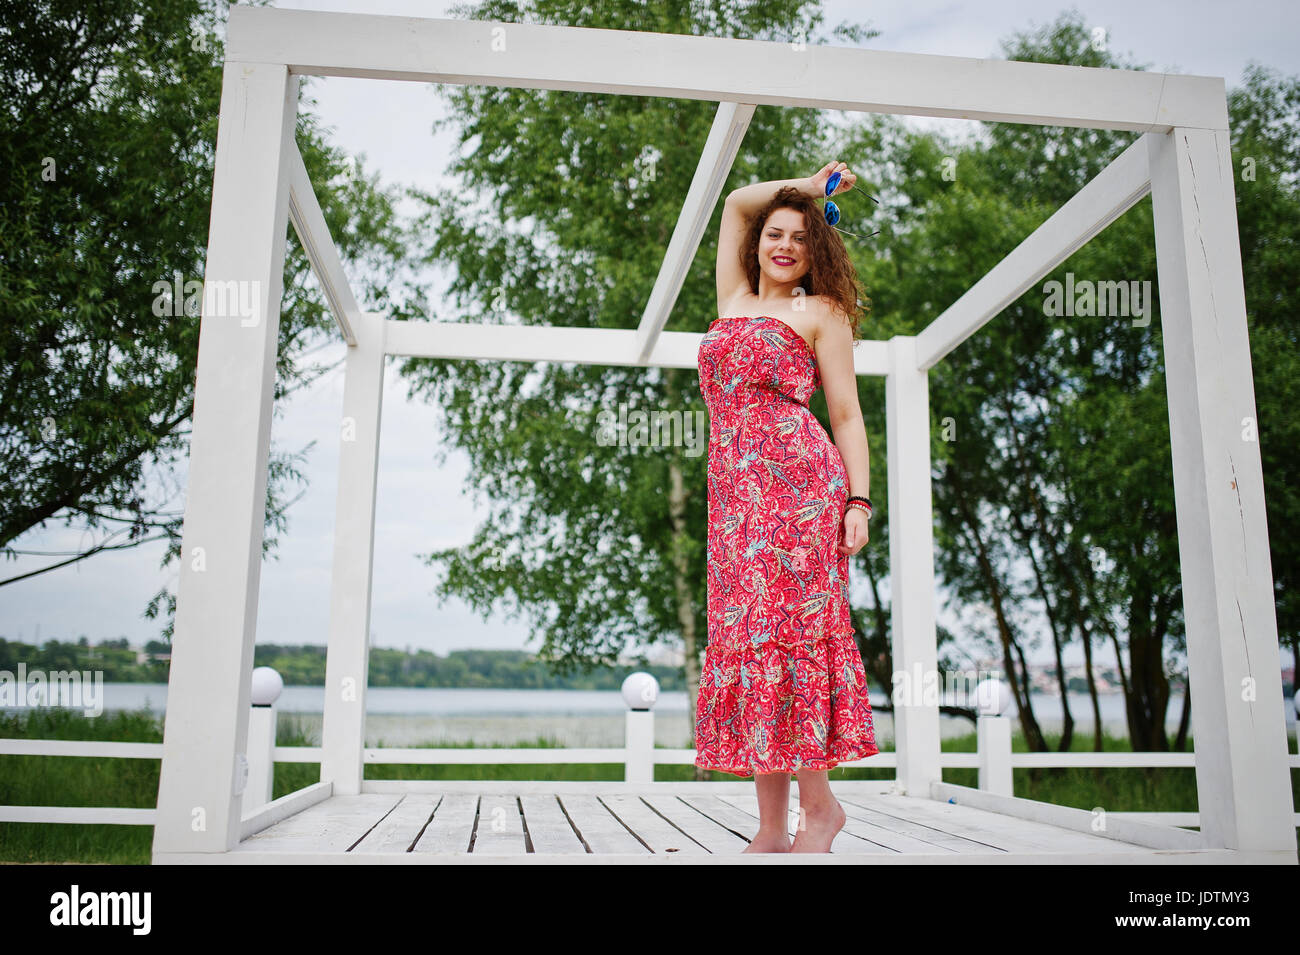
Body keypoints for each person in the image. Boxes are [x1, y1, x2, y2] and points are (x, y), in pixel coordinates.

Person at [695, 160, 880, 853]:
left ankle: (821, 810)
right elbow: (738, 203)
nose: (784, 246)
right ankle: (772, 826)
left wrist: (858, 500)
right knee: (752, 647)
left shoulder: (821, 313)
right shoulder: (734, 298)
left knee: (793, 645)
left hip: (800, 497)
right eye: (776, 234)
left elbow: (847, 415)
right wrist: (811, 183)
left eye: (801, 239)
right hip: (734, 507)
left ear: (815, 252)